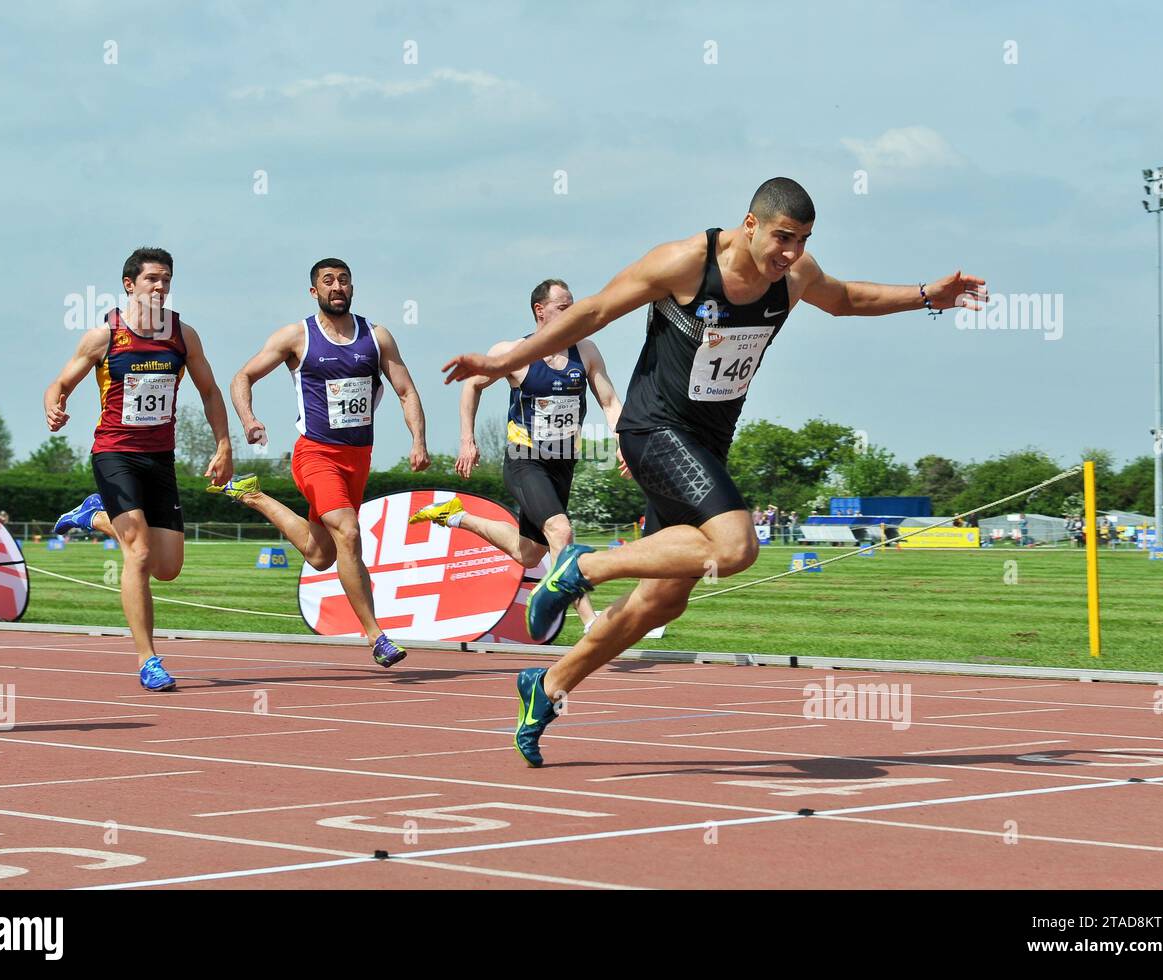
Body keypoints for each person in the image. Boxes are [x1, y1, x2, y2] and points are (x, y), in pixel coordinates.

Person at [443, 176, 986, 766]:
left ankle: (544, 688)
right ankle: (581, 566)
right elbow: (593, 312)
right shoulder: (683, 263)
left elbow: (848, 297)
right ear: (749, 225)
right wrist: (504, 361)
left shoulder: (795, 276)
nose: (792, 253)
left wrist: (930, 293)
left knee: (660, 604)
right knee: (734, 547)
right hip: (653, 430)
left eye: (802, 240)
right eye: (783, 237)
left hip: (706, 445)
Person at [212, 258, 429, 668]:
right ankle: (376, 636)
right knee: (348, 531)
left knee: (320, 554)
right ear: (314, 291)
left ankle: (253, 496)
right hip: (315, 454)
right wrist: (249, 419)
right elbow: (242, 377)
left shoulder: (377, 337)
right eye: (328, 282)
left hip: (357, 459)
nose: (337, 287)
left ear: (353, 288)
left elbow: (406, 391)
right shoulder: (297, 336)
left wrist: (418, 440)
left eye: (344, 280)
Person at [46, 247, 232, 691]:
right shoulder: (103, 336)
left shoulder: (183, 335)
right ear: (130, 284)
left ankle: (92, 515)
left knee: (167, 567)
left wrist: (223, 445)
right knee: (140, 552)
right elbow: (61, 382)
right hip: (114, 453)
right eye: (152, 279)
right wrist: (54, 404)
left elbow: (209, 391)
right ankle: (149, 659)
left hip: (159, 458)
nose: (161, 287)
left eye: (166, 279)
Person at [411, 281, 625, 633]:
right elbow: (472, 385)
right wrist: (468, 440)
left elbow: (610, 402)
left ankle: (456, 517)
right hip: (525, 459)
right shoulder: (514, 352)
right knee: (561, 530)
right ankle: (590, 622)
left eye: (573, 306)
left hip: (562, 462)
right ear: (540, 310)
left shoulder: (585, 350)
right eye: (562, 307)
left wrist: (622, 439)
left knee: (529, 553)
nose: (571, 313)